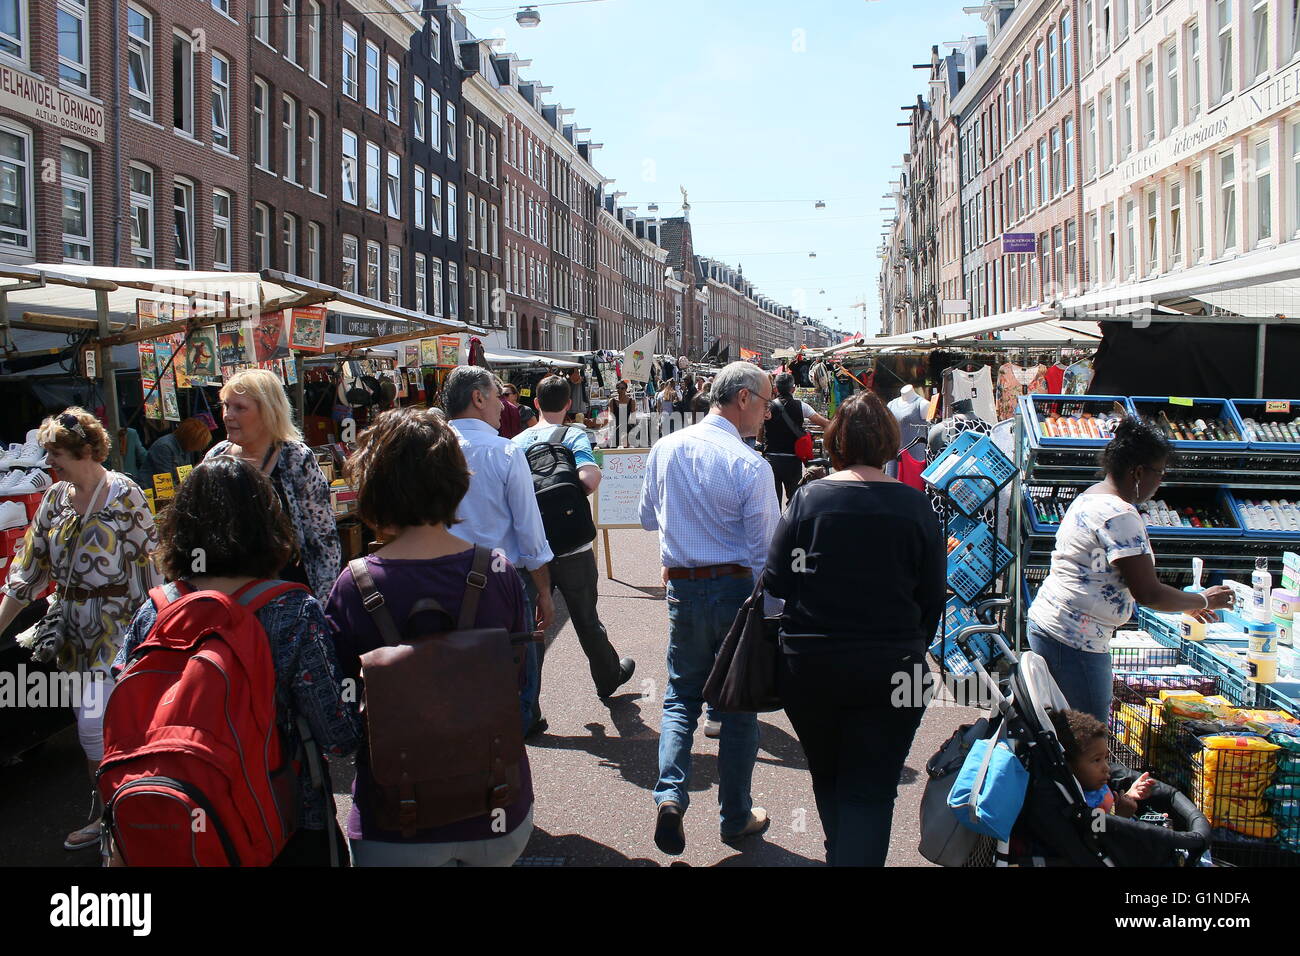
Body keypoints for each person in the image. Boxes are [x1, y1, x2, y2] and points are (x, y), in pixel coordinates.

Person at [117, 456, 360, 865]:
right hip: (285, 818)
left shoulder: (156, 610)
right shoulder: (293, 610)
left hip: (177, 818)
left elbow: (123, 707)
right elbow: (337, 734)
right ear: (266, 524)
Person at [325, 408, 535, 866]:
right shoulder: (496, 570)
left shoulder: (353, 584)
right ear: (455, 479)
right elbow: (516, 679)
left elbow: (339, 702)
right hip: (496, 804)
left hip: (396, 818)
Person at [762, 392, 943, 866]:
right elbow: (933, 598)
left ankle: (840, 852)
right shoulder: (915, 506)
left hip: (811, 663)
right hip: (893, 667)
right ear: (888, 441)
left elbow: (776, 580)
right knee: (872, 788)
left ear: (835, 440)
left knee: (828, 773)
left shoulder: (808, 500)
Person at [0, 408, 161, 851]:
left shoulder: (124, 494)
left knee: (94, 727)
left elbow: (151, 566)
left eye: (57, 455)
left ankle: (115, 820)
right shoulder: (54, 499)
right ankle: (113, 813)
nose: (50, 464)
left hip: (119, 625)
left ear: (86, 451)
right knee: (95, 727)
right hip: (70, 631)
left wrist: (159, 629)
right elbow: (26, 573)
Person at [638, 361, 779, 855]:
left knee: (680, 697)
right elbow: (767, 553)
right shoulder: (750, 464)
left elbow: (645, 518)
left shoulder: (665, 447)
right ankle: (735, 817)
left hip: (683, 589)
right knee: (738, 707)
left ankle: (671, 796)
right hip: (736, 593)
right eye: (764, 402)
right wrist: (774, 617)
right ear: (743, 399)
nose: (766, 413)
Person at [1026, 417, 1233, 722]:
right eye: (1160, 473)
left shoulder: (1092, 496)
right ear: (1138, 472)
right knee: (1087, 738)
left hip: (1056, 626)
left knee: (1063, 732)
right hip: (1074, 640)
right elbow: (1148, 593)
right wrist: (1203, 600)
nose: (1160, 482)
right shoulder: (1119, 514)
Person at [443, 367, 555, 736]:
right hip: (499, 579)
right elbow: (529, 528)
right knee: (517, 663)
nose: (503, 405)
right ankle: (515, 738)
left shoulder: (431, 447)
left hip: (441, 576)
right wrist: (543, 590)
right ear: (477, 398)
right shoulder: (504, 451)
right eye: (497, 396)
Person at [514, 375, 635, 706]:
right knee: (586, 618)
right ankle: (608, 677)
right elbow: (589, 478)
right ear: (569, 404)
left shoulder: (518, 442)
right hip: (573, 547)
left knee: (536, 621)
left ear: (536, 404)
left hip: (531, 548)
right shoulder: (574, 434)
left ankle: (528, 704)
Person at [206, 368, 341, 602]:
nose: (228, 415)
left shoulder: (295, 457)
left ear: (268, 412)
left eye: (240, 407)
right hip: (230, 596)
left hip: (287, 595)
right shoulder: (217, 457)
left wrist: (324, 603)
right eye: (226, 406)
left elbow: (323, 538)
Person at [1050, 709, 1154, 817]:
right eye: (1097, 760)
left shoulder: (1096, 785)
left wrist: (1129, 796)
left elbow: (1110, 808)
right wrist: (1121, 816)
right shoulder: (1084, 806)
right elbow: (1099, 831)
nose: (1106, 768)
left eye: (1105, 758)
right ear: (1069, 765)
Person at [764, 372, 831, 508]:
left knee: (773, 503)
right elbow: (825, 424)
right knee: (795, 502)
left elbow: (759, 428)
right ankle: (792, 527)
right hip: (792, 460)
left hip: (771, 460)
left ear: (775, 389)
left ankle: (776, 527)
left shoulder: (767, 407)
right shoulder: (802, 406)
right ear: (793, 389)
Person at [143, 417, 211, 490]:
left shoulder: (186, 447)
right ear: (189, 440)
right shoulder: (164, 447)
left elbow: (185, 476)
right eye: (197, 445)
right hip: (153, 490)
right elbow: (165, 480)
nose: (197, 449)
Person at [605, 381, 639, 448]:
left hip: (628, 427)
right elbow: (610, 414)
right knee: (614, 447)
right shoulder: (612, 401)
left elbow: (633, 416)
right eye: (618, 388)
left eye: (622, 388)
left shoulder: (632, 401)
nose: (620, 390)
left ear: (626, 389)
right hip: (616, 427)